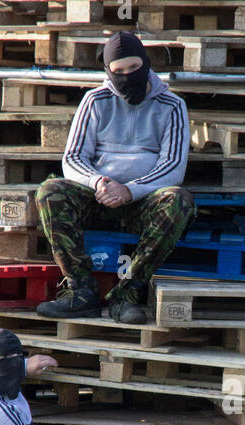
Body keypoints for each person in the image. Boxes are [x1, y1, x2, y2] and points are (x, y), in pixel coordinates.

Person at [34, 31, 196, 325]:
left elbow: (173, 166)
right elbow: (73, 158)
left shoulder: (173, 106)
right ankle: (80, 291)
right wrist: (100, 183)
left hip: (142, 202)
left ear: (146, 64)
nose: (126, 76)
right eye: (118, 71)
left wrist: (129, 191)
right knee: (50, 191)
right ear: (108, 71)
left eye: (133, 68)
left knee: (179, 201)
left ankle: (128, 293)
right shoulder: (94, 101)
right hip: (97, 197)